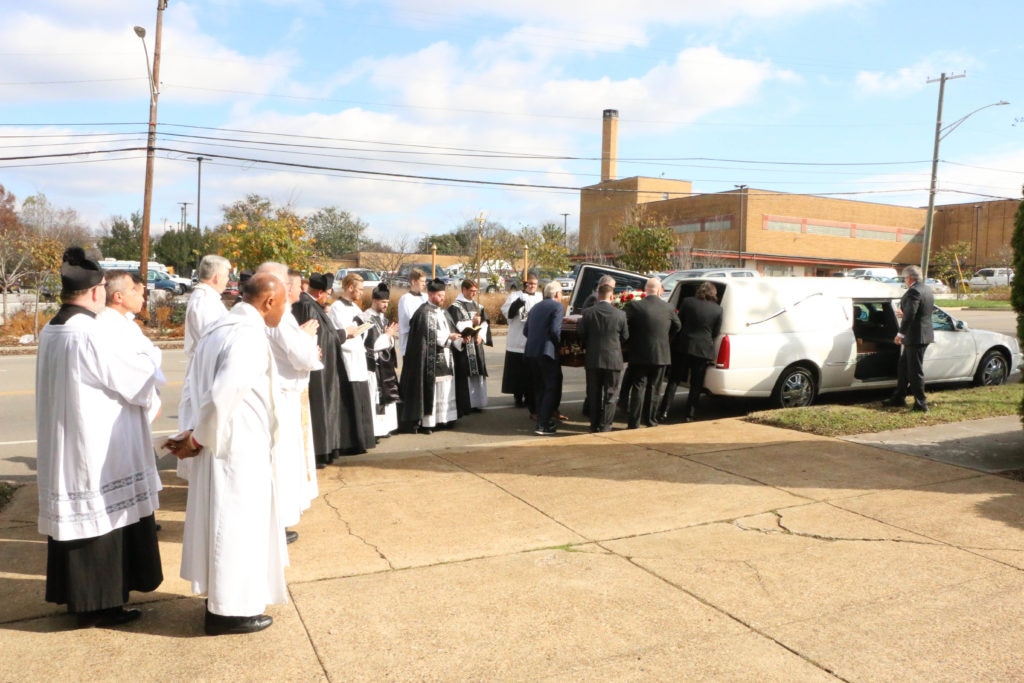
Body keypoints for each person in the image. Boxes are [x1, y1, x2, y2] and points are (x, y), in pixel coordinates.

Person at [36, 247, 164, 628]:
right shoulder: (91, 333)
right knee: (100, 521)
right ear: (95, 293)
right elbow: (136, 380)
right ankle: (101, 604)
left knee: (79, 521)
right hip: (95, 446)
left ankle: (78, 597)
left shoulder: (51, 329)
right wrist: (152, 362)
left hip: (66, 440)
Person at [169, 273, 291, 636]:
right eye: (283, 303)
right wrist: (197, 438)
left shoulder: (220, 329)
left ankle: (222, 603)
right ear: (268, 301)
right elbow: (224, 393)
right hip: (236, 447)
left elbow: (199, 389)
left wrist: (196, 432)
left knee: (226, 523)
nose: (285, 310)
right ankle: (228, 612)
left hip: (224, 443)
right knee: (235, 527)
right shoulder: (247, 336)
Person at [257, 262, 321, 542]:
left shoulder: (273, 313)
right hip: (281, 395)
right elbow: (301, 356)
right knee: (282, 461)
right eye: (287, 282)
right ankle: (277, 523)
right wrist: (308, 340)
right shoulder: (279, 316)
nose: (291, 287)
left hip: (279, 393)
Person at [178, 254, 231, 482]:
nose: (229, 280)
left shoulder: (210, 299)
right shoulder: (203, 301)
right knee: (197, 423)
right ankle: (199, 479)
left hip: (209, 369)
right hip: (205, 370)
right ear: (217, 276)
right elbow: (213, 339)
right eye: (227, 275)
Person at [97, 269, 166, 424]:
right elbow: (138, 370)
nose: (142, 299)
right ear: (118, 296)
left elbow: (152, 356)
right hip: (121, 415)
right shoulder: (108, 326)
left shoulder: (125, 323)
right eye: (135, 291)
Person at [292, 273, 346, 468]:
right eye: (327, 293)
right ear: (321, 292)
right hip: (316, 369)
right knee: (318, 406)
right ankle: (319, 452)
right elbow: (314, 336)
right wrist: (343, 335)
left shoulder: (312, 304)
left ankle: (327, 449)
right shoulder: (306, 305)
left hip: (324, 366)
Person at [397, 278, 462, 434]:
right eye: (440, 295)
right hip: (429, 360)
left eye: (443, 295)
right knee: (432, 390)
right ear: (431, 295)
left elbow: (451, 329)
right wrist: (447, 337)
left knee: (446, 389)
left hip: (446, 356)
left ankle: (444, 419)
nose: (443, 298)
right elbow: (426, 335)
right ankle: (429, 422)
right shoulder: (422, 313)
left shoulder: (444, 312)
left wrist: (461, 338)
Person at [659, 281, 722, 423]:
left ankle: (664, 411)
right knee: (696, 384)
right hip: (702, 349)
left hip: (683, 346)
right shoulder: (718, 310)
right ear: (713, 293)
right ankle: (689, 415)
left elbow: (679, 322)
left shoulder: (687, 302)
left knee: (674, 380)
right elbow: (716, 331)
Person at [328, 272, 376, 455]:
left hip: (359, 358)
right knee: (351, 400)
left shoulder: (355, 308)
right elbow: (343, 334)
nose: (362, 293)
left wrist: (364, 327)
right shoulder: (337, 308)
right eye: (360, 289)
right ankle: (350, 442)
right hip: (348, 359)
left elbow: (359, 331)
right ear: (350, 287)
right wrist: (354, 331)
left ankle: (363, 440)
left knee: (362, 399)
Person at [623, 277, 680, 429]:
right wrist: (666, 339)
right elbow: (677, 325)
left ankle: (634, 422)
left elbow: (623, 324)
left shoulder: (635, 306)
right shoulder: (668, 308)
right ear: (660, 290)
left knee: (638, 388)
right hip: (660, 355)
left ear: (645, 289)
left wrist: (629, 341)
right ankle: (650, 420)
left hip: (639, 354)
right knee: (654, 388)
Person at [577, 282, 628, 432]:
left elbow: (582, 334)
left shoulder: (587, 313)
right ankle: (606, 425)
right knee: (611, 394)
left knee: (593, 394)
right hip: (613, 359)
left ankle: (594, 425)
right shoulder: (620, 314)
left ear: (598, 296)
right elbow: (625, 336)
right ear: (612, 297)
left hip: (593, 358)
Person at [883, 265, 935, 412]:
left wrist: (900, 334)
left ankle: (921, 403)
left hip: (916, 336)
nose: (905, 281)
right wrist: (904, 313)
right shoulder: (926, 289)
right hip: (922, 334)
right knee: (903, 367)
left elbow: (911, 315)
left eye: (905, 278)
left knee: (914, 371)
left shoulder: (914, 292)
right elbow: (919, 311)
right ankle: (899, 397)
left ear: (909, 278)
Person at [523, 281, 564, 436]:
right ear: (556, 294)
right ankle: (543, 424)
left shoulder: (536, 307)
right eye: (561, 293)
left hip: (531, 351)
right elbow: (555, 330)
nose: (561, 297)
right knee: (551, 387)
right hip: (547, 352)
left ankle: (541, 419)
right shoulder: (557, 307)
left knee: (539, 387)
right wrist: (559, 346)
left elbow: (526, 330)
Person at [360, 283, 400, 439]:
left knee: (387, 397)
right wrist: (388, 336)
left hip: (386, 364)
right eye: (383, 302)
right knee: (376, 398)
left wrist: (389, 338)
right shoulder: (365, 318)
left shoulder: (384, 319)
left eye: (387, 303)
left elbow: (388, 344)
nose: (385, 305)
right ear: (374, 301)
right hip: (374, 365)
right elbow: (372, 345)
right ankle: (376, 431)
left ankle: (386, 428)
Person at [448, 278, 492, 414]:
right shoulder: (455, 307)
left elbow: (485, 323)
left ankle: (477, 402)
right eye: (472, 291)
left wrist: (481, 335)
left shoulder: (478, 305)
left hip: (476, 346)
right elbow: (455, 325)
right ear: (464, 290)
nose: (474, 294)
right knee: (465, 374)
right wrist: (470, 322)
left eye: (475, 291)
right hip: (464, 346)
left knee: (477, 373)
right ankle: (465, 403)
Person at [500, 274, 541, 410]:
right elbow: (508, 314)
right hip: (517, 339)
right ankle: (518, 396)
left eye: (534, 284)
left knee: (530, 372)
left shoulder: (540, 297)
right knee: (517, 372)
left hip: (532, 340)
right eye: (529, 283)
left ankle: (530, 396)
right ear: (525, 284)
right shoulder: (515, 296)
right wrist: (518, 303)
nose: (531, 286)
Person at [579, 274, 616, 417]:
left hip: (594, 350)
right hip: (599, 347)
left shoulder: (594, 298)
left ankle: (590, 409)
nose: (613, 290)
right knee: (596, 388)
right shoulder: (594, 299)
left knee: (594, 387)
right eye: (612, 287)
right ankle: (591, 410)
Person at [397, 268, 429, 358]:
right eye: (422, 281)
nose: (424, 284)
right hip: (410, 344)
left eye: (425, 281)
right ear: (414, 281)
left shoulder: (426, 297)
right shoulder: (406, 299)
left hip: (424, 344)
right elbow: (412, 320)